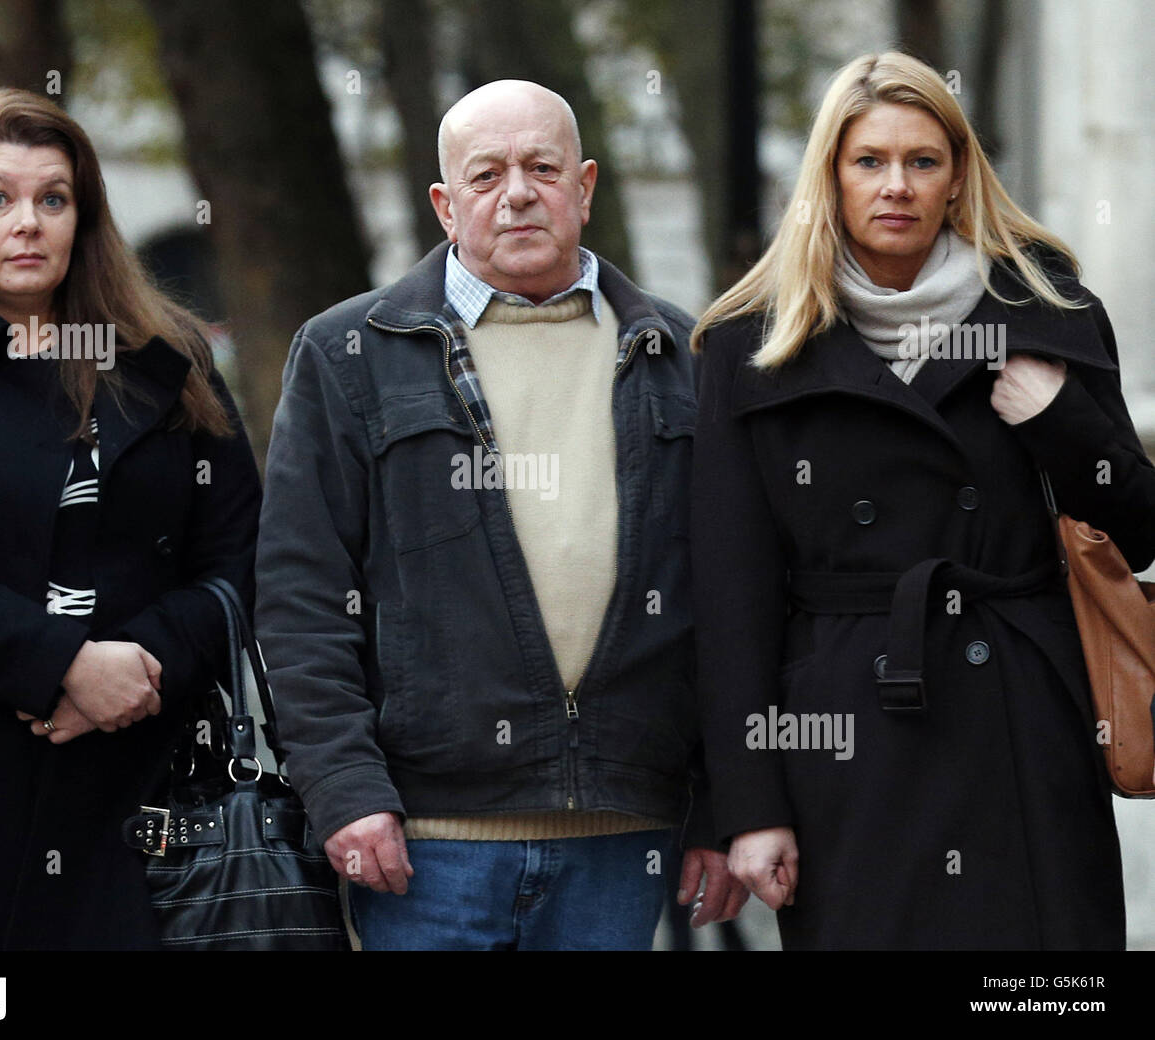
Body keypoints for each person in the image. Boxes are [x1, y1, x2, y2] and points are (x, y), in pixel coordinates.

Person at [255, 79, 745, 950]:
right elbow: (302, 597)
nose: (516, 194)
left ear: (584, 189)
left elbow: (731, 599)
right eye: (485, 176)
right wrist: (345, 789)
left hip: (621, 837)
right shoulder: (348, 354)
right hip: (423, 842)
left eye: (542, 169)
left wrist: (722, 803)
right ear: (446, 206)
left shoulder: (682, 356)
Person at [691, 51, 1155, 950]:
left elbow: (1137, 530)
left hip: (1022, 718)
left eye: (922, 160)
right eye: (869, 161)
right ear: (830, 177)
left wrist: (1059, 421)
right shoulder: (754, 343)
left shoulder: (1047, 309)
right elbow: (729, 596)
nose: (896, 185)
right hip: (846, 736)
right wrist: (750, 806)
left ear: (958, 176)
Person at [0, 88, 261, 950]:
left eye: (53, 198)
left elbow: (240, 555)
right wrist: (61, 665)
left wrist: (139, 665)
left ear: (84, 217)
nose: (27, 223)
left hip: (142, 777)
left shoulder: (170, 359)